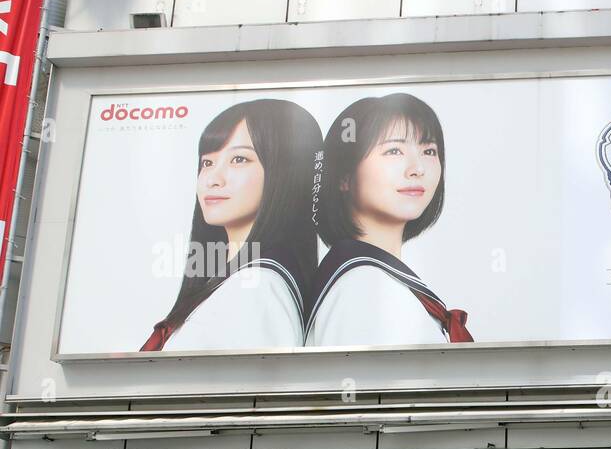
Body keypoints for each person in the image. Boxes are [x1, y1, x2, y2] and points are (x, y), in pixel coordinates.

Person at [140, 99, 323, 351]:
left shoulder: (256, 286)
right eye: (207, 162)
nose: (213, 179)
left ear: (284, 172)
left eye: (239, 159)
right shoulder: (238, 283)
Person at [305, 92, 472, 347]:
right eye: (394, 150)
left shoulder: (377, 280)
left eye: (429, 150)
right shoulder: (362, 286)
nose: (417, 168)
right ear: (344, 176)